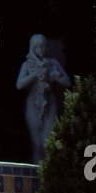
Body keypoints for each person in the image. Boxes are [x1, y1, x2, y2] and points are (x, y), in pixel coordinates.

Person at [16, 33, 70, 163]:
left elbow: (67, 82)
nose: (41, 49)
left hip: (49, 103)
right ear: (32, 48)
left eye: (43, 46)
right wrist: (35, 74)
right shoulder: (27, 64)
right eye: (37, 47)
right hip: (33, 104)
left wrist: (55, 76)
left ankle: (48, 172)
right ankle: (37, 174)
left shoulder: (52, 63)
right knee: (37, 144)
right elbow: (19, 84)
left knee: (47, 141)